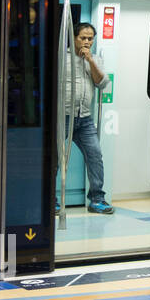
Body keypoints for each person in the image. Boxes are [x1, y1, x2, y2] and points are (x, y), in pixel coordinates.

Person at [61, 22, 114, 215]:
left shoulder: (95, 59)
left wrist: (90, 61)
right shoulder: (61, 56)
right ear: (74, 38)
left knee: (95, 156)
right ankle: (51, 200)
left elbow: (102, 83)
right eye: (82, 37)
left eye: (90, 38)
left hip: (84, 118)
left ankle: (97, 199)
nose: (86, 41)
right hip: (63, 117)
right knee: (56, 159)